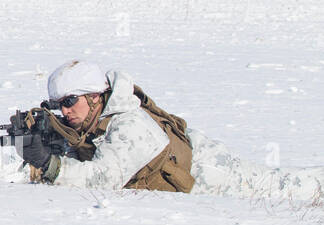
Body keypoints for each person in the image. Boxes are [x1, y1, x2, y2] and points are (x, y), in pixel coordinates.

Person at [18, 59, 324, 199]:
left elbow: (102, 180)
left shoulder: (130, 124)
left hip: (215, 178)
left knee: (288, 188)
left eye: (70, 101)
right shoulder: (92, 122)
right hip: (196, 167)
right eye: (59, 104)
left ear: (96, 96)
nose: (65, 110)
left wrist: (51, 165)